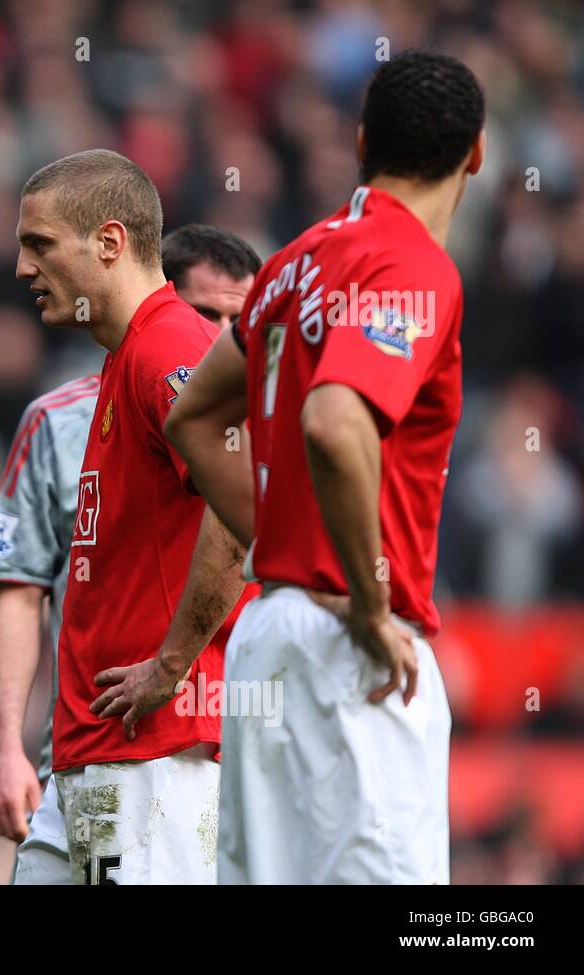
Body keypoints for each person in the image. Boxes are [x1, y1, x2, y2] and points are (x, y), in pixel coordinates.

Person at [165, 49, 485, 884]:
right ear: (476, 154)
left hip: (267, 638)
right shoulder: (413, 264)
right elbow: (336, 423)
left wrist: (281, 544)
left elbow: (192, 418)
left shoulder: (290, 265)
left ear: (358, 140)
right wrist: (369, 602)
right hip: (352, 646)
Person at [0, 224, 260, 885]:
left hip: (193, 741)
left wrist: (173, 665)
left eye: (236, 322)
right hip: (84, 743)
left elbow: (247, 531)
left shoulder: (252, 426)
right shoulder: (60, 419)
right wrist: (2, 746)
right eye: (205, 313)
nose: (219, 336)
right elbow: (20, 587)